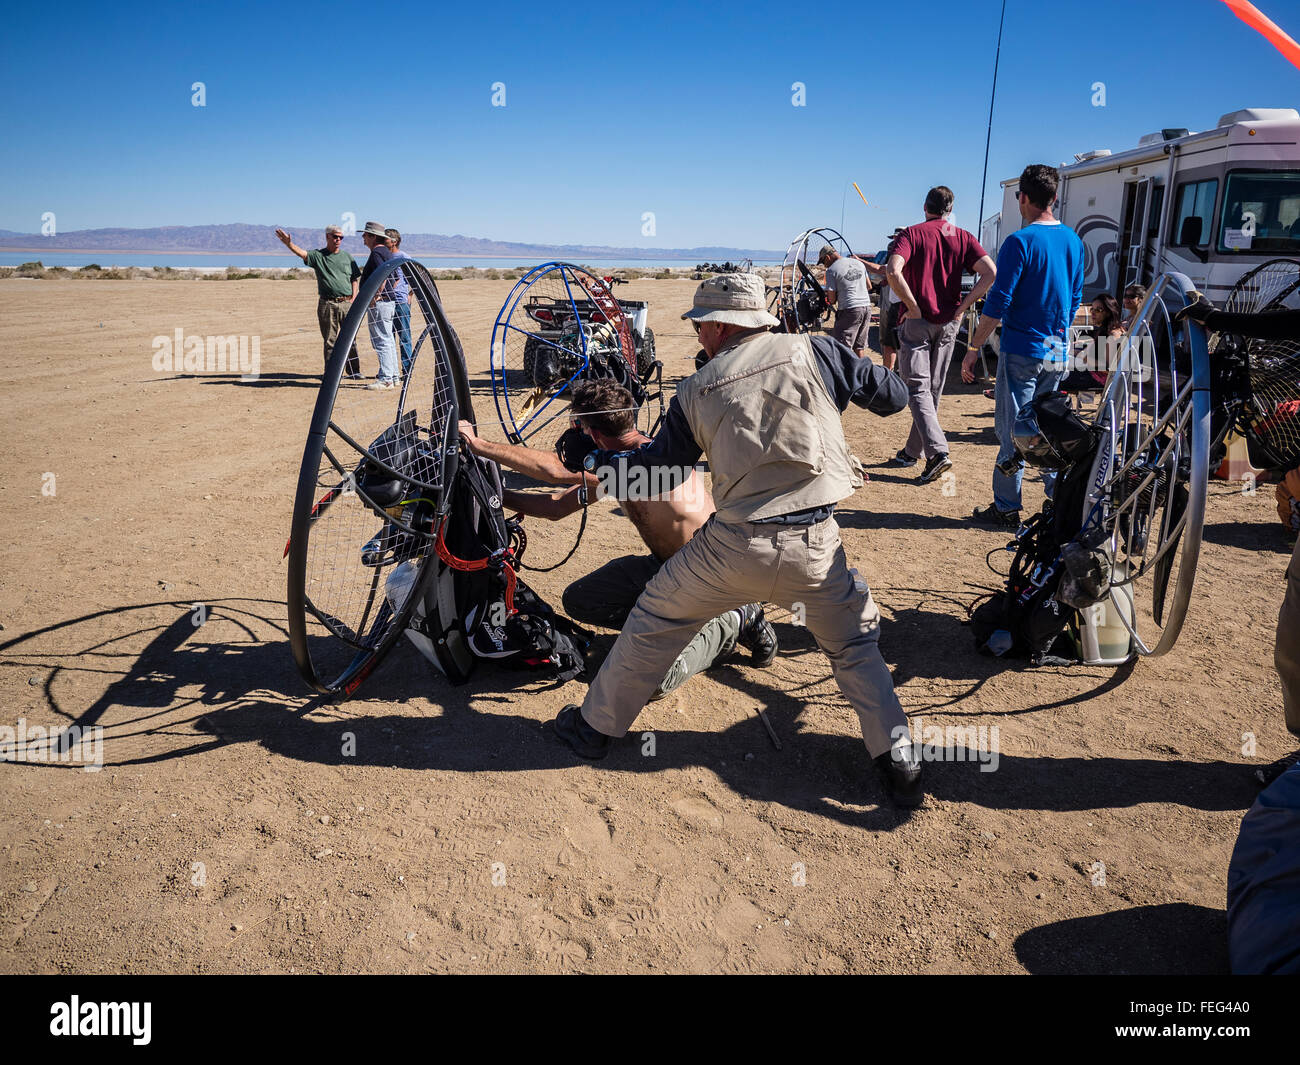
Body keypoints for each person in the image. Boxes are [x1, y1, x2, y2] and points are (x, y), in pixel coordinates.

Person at [549, 272, 925, 808]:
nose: (699, 334)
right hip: (816, 544)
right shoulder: (816, 351)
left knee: (655, 617)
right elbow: (891, 399)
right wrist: (842, 377)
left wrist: (595, 459)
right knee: (854, 647)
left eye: (702, 324)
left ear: (723, 325)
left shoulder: (695, 390)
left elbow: (659, 469)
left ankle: (593, 730)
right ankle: (899, 761)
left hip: (730, 546)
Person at [458, 379, 778, 700]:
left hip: (709, 580)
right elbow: (555, 507)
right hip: (666, 569)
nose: (577, 434)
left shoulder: (644, 466)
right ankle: (667, 630)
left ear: (595, 434)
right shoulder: (621, 466)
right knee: (582, 600)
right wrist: (494, 495)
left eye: (581, 427)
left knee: (653, 681)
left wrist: (478, 444)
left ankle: (736, 620)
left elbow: (553, 471)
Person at [964, 164, 1085, 526]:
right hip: (1056, 348)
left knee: (1013, 431)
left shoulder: (1019, 241)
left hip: (1022, 348)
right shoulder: (1073, 241)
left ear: (1025, 198)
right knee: (1049, 428)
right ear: (1055, 197)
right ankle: (1058, 501)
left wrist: (973, 348)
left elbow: (998, 301)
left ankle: (1006, 507)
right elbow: (1075, 295)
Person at [886, 186, 997, 484]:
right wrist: (962, 306)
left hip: (918, 321)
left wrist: (911, 305)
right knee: (932, 389)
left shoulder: (911, 234)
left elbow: (893, 271)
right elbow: (990, 272)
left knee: (918, 388)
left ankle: (937, 453)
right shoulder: (962, 237)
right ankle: (912, 452)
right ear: (949, 209)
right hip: (949, 322)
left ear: (925, 206)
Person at [275, 224, 361, 374]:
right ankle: (331, 374)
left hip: (347, 303)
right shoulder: (318, 256)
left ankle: (354, 372)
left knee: (350, 339)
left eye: (341, 237)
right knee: (330, 341)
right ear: (327, 236)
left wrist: (353, 298)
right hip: (327, 304)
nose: (338, 240)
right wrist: (288, 244)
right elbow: (302, 253)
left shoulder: (347, 257)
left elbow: (354, 279)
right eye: (335, 237)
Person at [358, 221, 400, 390]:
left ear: (373, 237)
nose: (363, 238)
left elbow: (381, 276)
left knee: (381, 339)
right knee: (388, 339)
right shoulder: (387, 253)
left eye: (365, 235)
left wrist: (377, 295)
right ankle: (394, 376)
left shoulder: (376, 253)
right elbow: (396, 277)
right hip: (388, 301)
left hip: (381, 302)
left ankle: (386, 379)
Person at [1060, 292, 1124, 392]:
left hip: (1099, 379)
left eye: (1098, 310)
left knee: (1054, 377)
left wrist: (1084, 358)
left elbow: (1108, 368)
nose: (1093, 313)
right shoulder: (1108, 330)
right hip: (1092, 373)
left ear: (1109, 312)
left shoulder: (1113, 335)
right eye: (1092, 309)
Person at [818, 245, 871, 358]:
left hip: (849, 309)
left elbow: (831, 300)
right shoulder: (859, 263)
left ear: (827, 257)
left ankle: (844, 374)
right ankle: (862, 374)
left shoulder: (831, 270)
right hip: (866, 307)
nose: (824, 265)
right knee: (859, 346)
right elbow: (869, 286)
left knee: (841, 347)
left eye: (823, 261)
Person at [385, 228, 414, 378]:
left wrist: (410, 295)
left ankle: (407, 370)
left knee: (404, 337)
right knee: (387, 338)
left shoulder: (403, 257)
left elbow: (416, 279)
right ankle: (391, 371)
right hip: (386, 301)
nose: (383, 241)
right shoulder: (384, 256)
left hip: (400, 302)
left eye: (385, 239)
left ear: (394, 241)